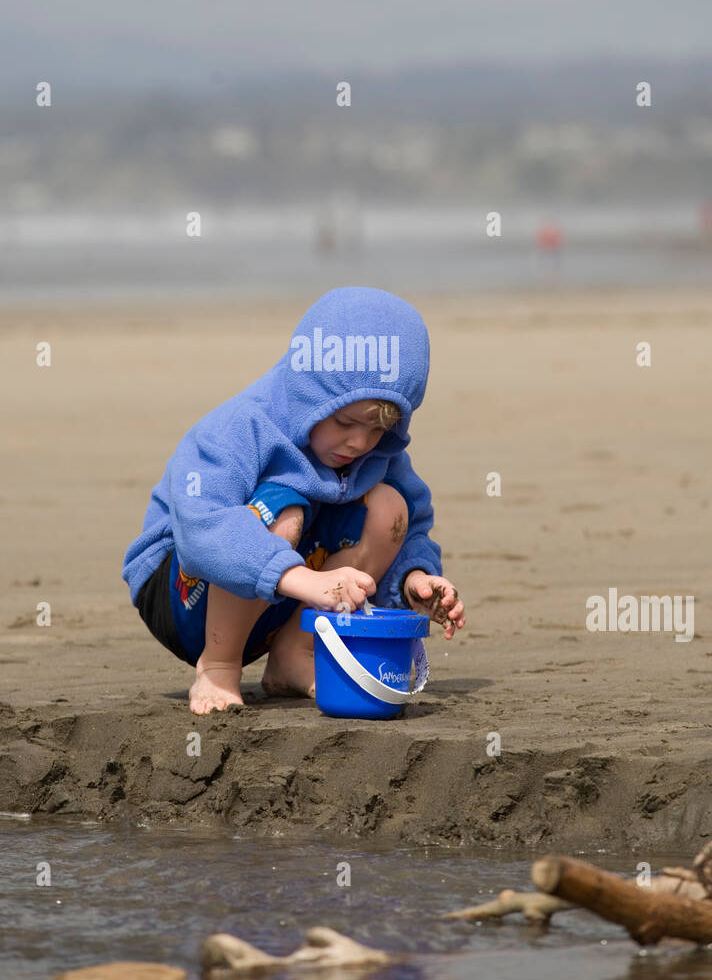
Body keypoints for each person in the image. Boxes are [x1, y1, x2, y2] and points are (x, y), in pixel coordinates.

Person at [122, 286, 466, 714]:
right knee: (282, 505)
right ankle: (218, 669)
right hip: (186, 595)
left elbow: (411, 524)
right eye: (344, 421)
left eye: (376, 430)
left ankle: (295, 655)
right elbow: (202, 532)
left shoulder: (374, 451)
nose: (359, 442)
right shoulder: (241, 427)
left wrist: (414, 578)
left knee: (390, 507)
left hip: (277, 603)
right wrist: (305, 581)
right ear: (310, 393)